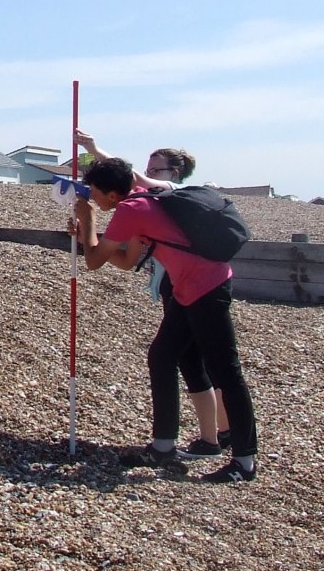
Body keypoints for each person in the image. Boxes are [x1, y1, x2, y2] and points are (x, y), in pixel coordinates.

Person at [71, 156, 258, 483]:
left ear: (112, 194)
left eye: (94, 192)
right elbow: (126, 261)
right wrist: (88, 234)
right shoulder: (141, 203)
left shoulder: (131, 209)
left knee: (226, 371)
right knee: (162, 356)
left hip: (207, 287)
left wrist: (87, 223)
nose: (92, 198)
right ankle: (163, 446)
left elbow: (94, 261)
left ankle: (244, 462)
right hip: (188, 289)